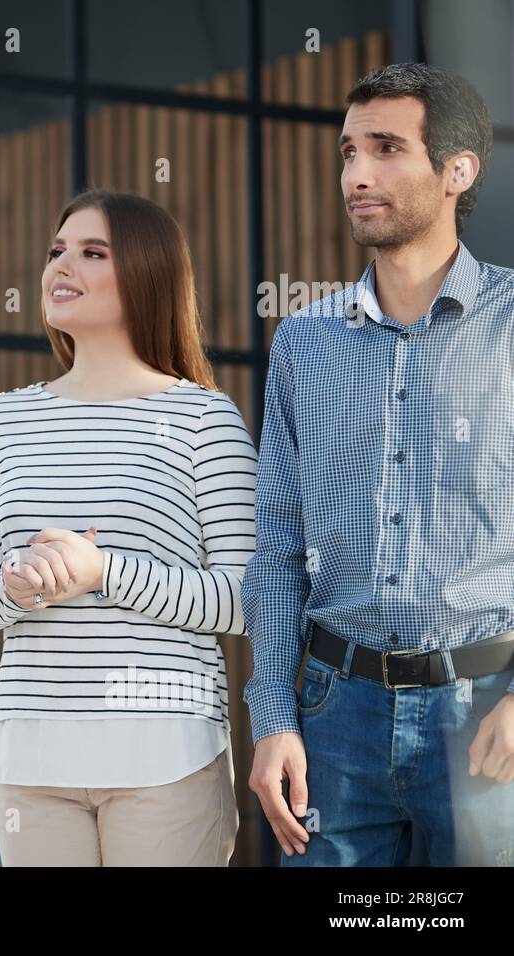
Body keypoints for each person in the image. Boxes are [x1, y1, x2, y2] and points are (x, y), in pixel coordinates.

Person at [243, 62, 514, 867]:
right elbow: (277, 545)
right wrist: (274, 717)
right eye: (348, 150)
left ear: (457, 170)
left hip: (487, 716)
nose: (356, 174)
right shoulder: (303, 344)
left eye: (387, 148)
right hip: (336, 717)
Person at [0, 189, 258, 866]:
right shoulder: (1, 422)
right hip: (30, 764)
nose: (62, 266)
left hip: (167, 758)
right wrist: (14, 588)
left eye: (91, 252)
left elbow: (246, 598)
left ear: (147, 272)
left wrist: (104, 572)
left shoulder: (205, 419)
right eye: (57, 251)